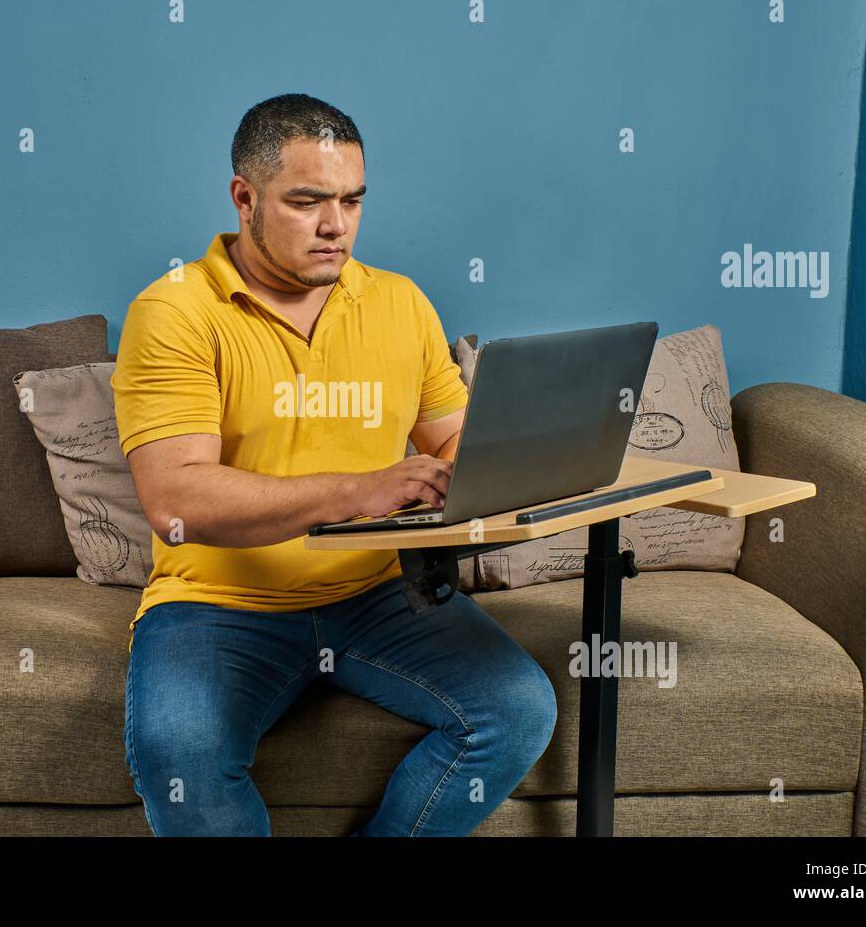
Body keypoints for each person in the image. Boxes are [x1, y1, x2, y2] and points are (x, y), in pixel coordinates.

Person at [112, 93, 556, 836]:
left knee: (517, 709)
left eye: (352, 200)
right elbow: (176, 498)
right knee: (179, 755)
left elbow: (452, 440)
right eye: (307, 201)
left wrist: (489, 476)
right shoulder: (174, 311)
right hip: (220, 601)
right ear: (244, 199)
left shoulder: (399, 302)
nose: (335, 225)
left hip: (379, 590)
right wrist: (359, 489)